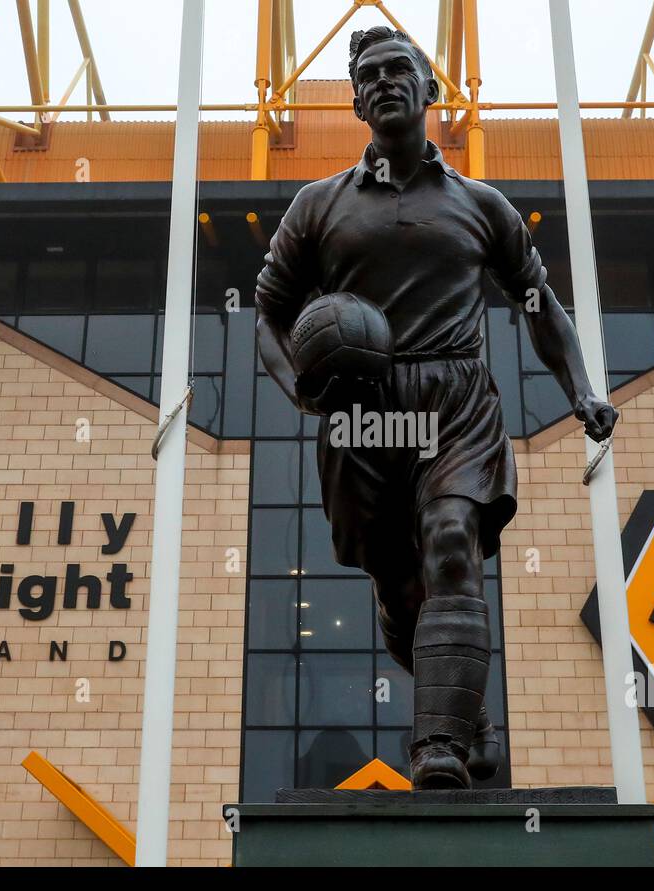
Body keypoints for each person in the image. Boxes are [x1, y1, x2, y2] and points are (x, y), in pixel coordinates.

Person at [255, 26, 618, 789]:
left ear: (431, 90)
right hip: (362, 410)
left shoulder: (482, 206)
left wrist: (581, 388)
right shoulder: (316, 205)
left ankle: (439, 747)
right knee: (402, 586)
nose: (386, 81)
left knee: (452, 541)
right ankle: (465, 712)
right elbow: (271, 316)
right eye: (371, 74)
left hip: (454, 397)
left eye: (400, 69)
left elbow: (538, 303)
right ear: (355, 99)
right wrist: (302, 388)